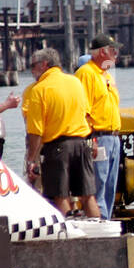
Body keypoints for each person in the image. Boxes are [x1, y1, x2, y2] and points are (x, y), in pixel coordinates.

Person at [21, 47, 100, 217]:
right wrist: (92, 141)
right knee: (88, 196)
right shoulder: (75, 82)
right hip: (82, 143)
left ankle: (68, 235)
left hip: (58, 147)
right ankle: (99, 230)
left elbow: (35, 131)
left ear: (44, 65)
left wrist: (31, 160)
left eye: (33, 66)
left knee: (60, 196)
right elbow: (87, 116)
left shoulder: (39, 90)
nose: (31, 70)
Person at [76, 34, 122, 218]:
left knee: (110, 186)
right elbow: (82, 110)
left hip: (113, 137)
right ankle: (99, 225)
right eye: (113, 50)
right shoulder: (86, 73)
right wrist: (90, 140)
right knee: (98, 184)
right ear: (103, 52)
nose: (116, 54)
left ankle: (107, 221)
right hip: (98, 137)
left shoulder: (106, 75)